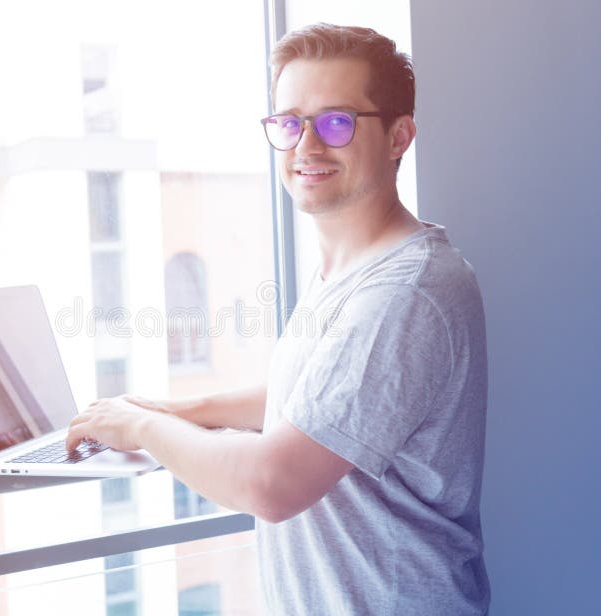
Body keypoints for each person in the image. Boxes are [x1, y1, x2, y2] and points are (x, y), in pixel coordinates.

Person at [67, 23, 490, 616]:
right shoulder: (348, 270)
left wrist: (141, 431)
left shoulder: (406, 292)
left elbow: (273, 483)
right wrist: (176, 410)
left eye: (336, 121)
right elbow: (320, 399)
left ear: (399, 136)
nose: (306, 147)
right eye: (290, 123)